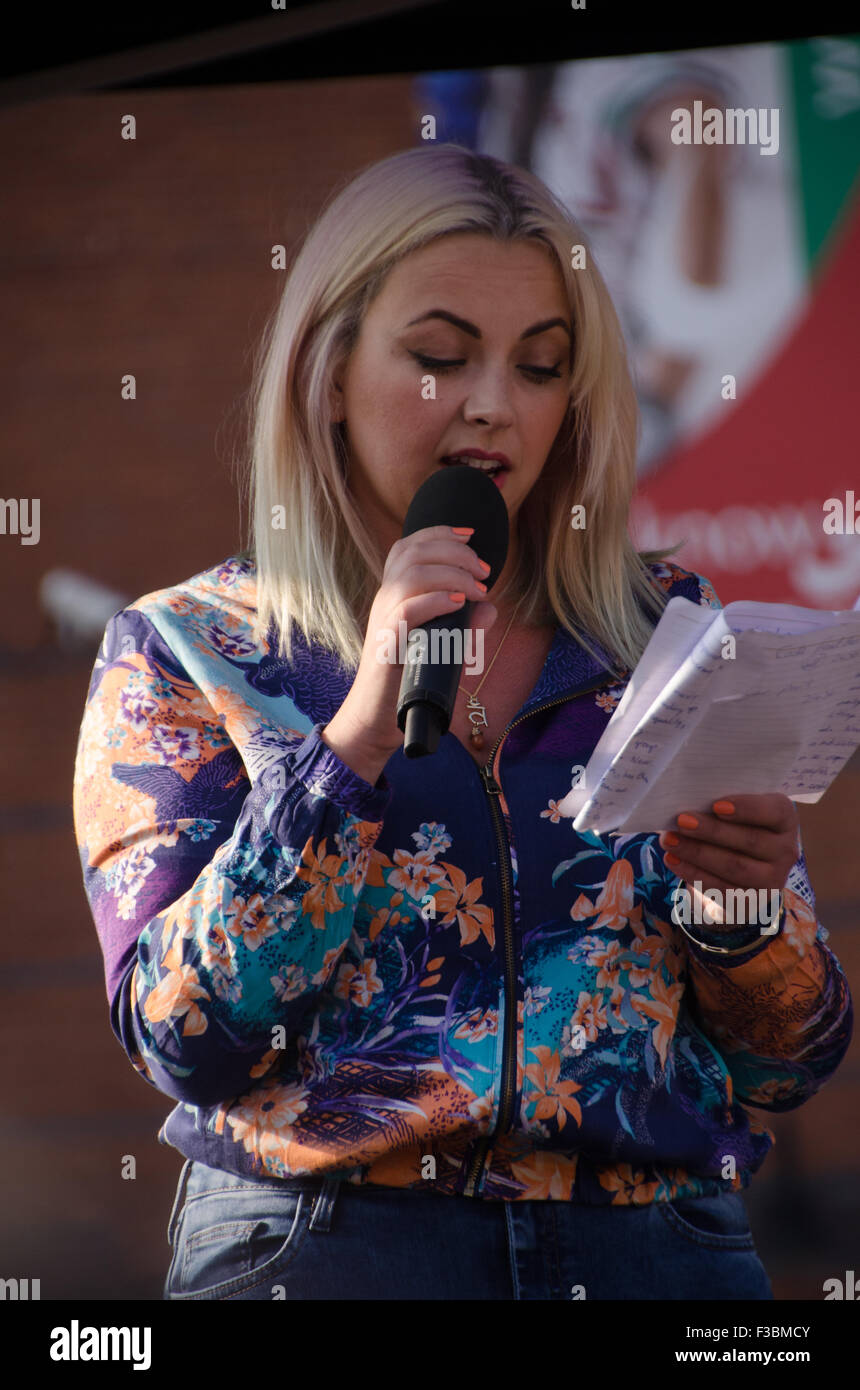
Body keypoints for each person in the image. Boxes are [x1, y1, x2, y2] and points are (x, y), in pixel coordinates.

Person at [72, 143, 852, 1301]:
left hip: (656, 1249)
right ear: (327, 372)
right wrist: (354, 747)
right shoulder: (188, 647)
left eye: (539, 366)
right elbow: (182, 1037)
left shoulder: (665, 638)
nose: (493, 402)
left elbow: (791, 1060)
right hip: (326, 1245)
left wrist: (740, 908)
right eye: (439, 357)